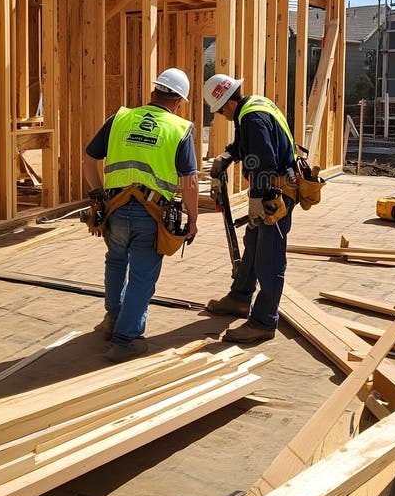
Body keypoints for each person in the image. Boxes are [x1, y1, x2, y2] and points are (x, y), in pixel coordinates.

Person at [83, 68, 199, 363]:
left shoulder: (120, 119)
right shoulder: (179, 128)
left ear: (153, 93)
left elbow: (89, 156)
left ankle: (112, 320)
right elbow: (189, 182)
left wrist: (97, 193)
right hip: (151, 214)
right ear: (179, 102)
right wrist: (193, 220)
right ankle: (125, 340)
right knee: (142, 277)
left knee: (116, 261)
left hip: (115, 209)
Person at [203, 74, 297, 343]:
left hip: (274, 192)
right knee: (254, 244)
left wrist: (259, 197)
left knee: (269, 257)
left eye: (220, 110)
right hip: (274, 186)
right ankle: (240, 298)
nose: (221, 115)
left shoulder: (251, 117)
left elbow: (264, 160)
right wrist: (228, 155)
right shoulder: (253, 106)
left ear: (228, 103)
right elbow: (248, 145)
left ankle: (264, 322)